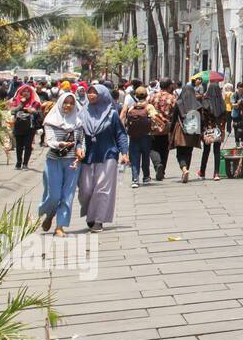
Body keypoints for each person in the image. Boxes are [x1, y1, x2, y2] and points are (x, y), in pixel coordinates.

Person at [77, 84, 129, 233]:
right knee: (85, 190)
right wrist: (77, 147)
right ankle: (90, 213)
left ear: (103, 95)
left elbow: (120, 134)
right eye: (89, 92)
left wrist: (124, 152)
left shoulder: (111, 114)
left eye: (95, 93)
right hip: (88, 155)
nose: (91, 95)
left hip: (108, 154)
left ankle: (98, 220)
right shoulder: (82, 114)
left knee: (102, 189)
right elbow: (76, 134)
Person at [39, 91, 84, 237]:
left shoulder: (78, 122)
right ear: (60, 103)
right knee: (54, 195)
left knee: (68, 194)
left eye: (71, 103)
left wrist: (80, 150)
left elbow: (80, 141)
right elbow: (50, 140)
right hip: (54, 161)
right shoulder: (50, 120)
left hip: (72, 163)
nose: (68, 106)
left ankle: (60, 225)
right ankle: (50, 214)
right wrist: (61, 144)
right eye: (66, 102)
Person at [122, 85, 157, 188]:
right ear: (146, 96)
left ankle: (135, 179)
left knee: (134, 158)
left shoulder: (132, 107)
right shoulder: (149, 106)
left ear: (136, 96)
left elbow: (128, 120)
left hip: (133, 137)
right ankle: (146, 177)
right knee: (145, 156)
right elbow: (155, 117)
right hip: (146, 136)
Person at [172, 80, 202, 182]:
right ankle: (186, 170)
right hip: (193, 131)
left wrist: (170, 131)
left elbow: (173, 118)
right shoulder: (197, 104)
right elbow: (201, 119)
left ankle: (184, 169)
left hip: (181, 131)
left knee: (180, 153)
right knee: (189, 152)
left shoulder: (179, 103)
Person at [199, 80, 228, 180]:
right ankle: (216, 173)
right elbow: (224, 118)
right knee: (217, 151)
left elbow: (202, 118)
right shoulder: (222, 102)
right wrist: (223, 130)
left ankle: (202, 172)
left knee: (206, 151)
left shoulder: (206, 102)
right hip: (218, 130)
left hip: (208, 130)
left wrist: (202, 130)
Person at [149, 79, 177, 181]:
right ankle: (162, 170)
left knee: (152, 148)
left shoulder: (152, 97)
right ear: (169, 86)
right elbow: (175, 112)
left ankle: (157, 165)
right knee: (165, 148)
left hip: (154, 126)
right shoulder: (172, 98)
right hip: (166, 126)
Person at [9, 83, 41, 170]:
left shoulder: (35, 102)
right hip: (18, 126)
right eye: (24, 91)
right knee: (19, 146)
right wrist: (22, 104)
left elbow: (35, 111)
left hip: (30, 128)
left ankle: (25, 163)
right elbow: (13, 110)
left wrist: (30, 110)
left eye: (28, 91)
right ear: (21, 92)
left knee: (28, 146)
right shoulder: (16, 100)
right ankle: (18, 162)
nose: (26, 93)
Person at [231, 82, 243, 148]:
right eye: (240, 87)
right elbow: (232, 104)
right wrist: (237, 104)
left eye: (242, 87)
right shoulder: (234, 95)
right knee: (236, 129)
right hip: (235, 114)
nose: (241, 88)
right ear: (237, 87)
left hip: (242, 114)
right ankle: (237, 143)